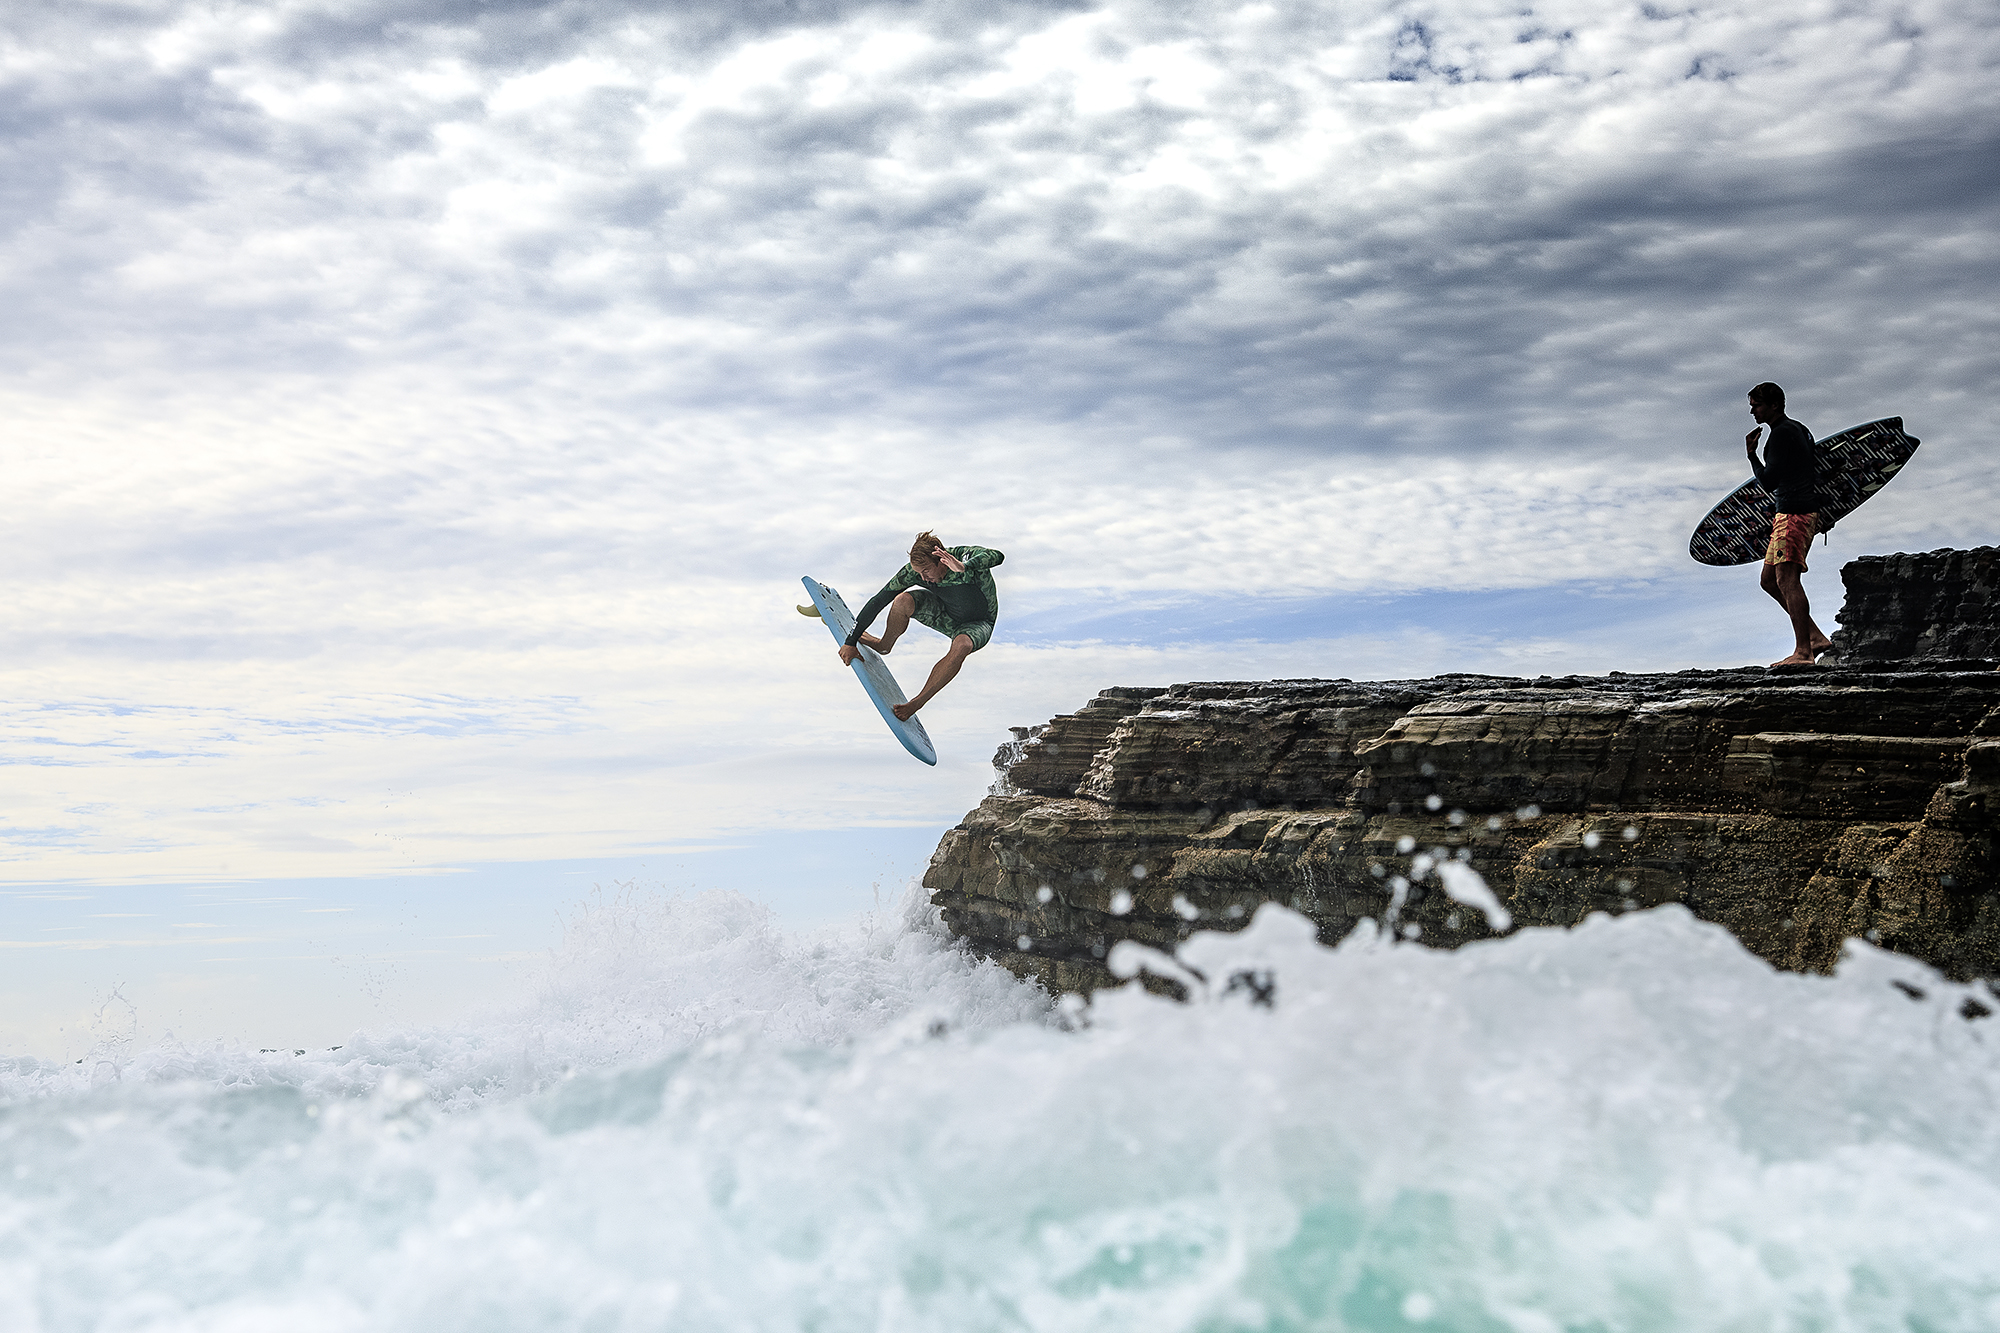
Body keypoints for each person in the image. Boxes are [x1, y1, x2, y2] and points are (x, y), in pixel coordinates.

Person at [839, 532, 1004, 719]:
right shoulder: (914, 572)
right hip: (945, 613)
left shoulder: (961, 556)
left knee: (962, 645)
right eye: (918, 573)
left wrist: (964, 567)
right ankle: (884, 645)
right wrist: (850, 642)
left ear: (941, 560)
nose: (923, 578)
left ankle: (916, 703)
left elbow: (997, 555)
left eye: (926, 571)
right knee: (902, 600)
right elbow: (879, 601)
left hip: (978, 623)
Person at [1744, 381, 1830, 667]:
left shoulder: (1781, 435)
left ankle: (1803, 653)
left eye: (1756, 405)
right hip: (1794, 514)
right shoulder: (1800, 430)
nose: (1753, 411)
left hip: (1794, 515)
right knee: (1769, 580)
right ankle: (1815, 636)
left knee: (1787, 580)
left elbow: (1769, 482)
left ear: (1774, 405)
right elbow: (1814, 470)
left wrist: (1751, 455)